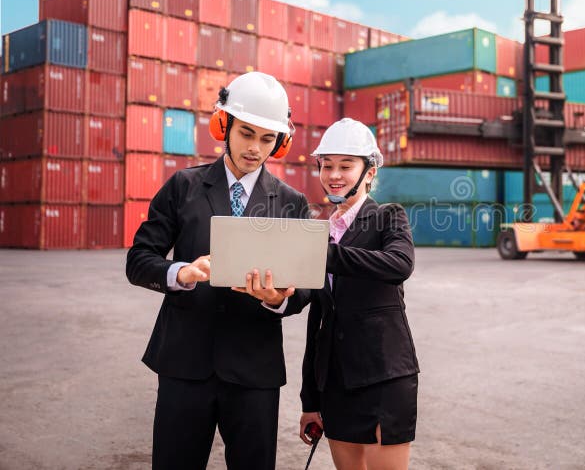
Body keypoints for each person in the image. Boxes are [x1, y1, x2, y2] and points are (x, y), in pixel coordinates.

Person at [126, 72, 310, 470]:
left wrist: (280, 300)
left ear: (281, 142)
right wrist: (182, 273)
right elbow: (139, 260)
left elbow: (307, 288)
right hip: (184, 364)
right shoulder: (182, 187)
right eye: (247, 133)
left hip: (254, 371)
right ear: (223, 126)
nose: (255, 148)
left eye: (267, 139)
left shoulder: (293, 203)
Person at [298, 118, 419, 470]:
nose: (334, 174)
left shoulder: (388, 218)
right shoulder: (321, 231)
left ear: (369, 171)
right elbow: (317, 322)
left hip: (384, 375)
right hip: (335, 382)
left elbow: (399, 264)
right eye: (327, 165)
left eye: (346, 166)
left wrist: (323, 251)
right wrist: (310, 399)